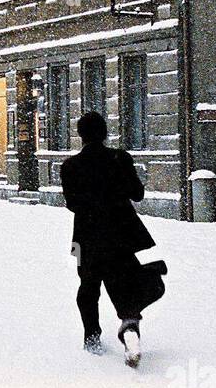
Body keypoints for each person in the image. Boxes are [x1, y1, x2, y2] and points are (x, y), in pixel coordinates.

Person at [59, 111, 165, 365]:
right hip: (120, 235)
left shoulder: (70, 167)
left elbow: (72, 204)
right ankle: (129, 326)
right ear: (105, 134)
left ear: (80, 135)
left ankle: (92, 337)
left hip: (85, 237)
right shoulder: (120, 158)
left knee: (88, 286)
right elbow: (137, 194)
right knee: (124, 283)